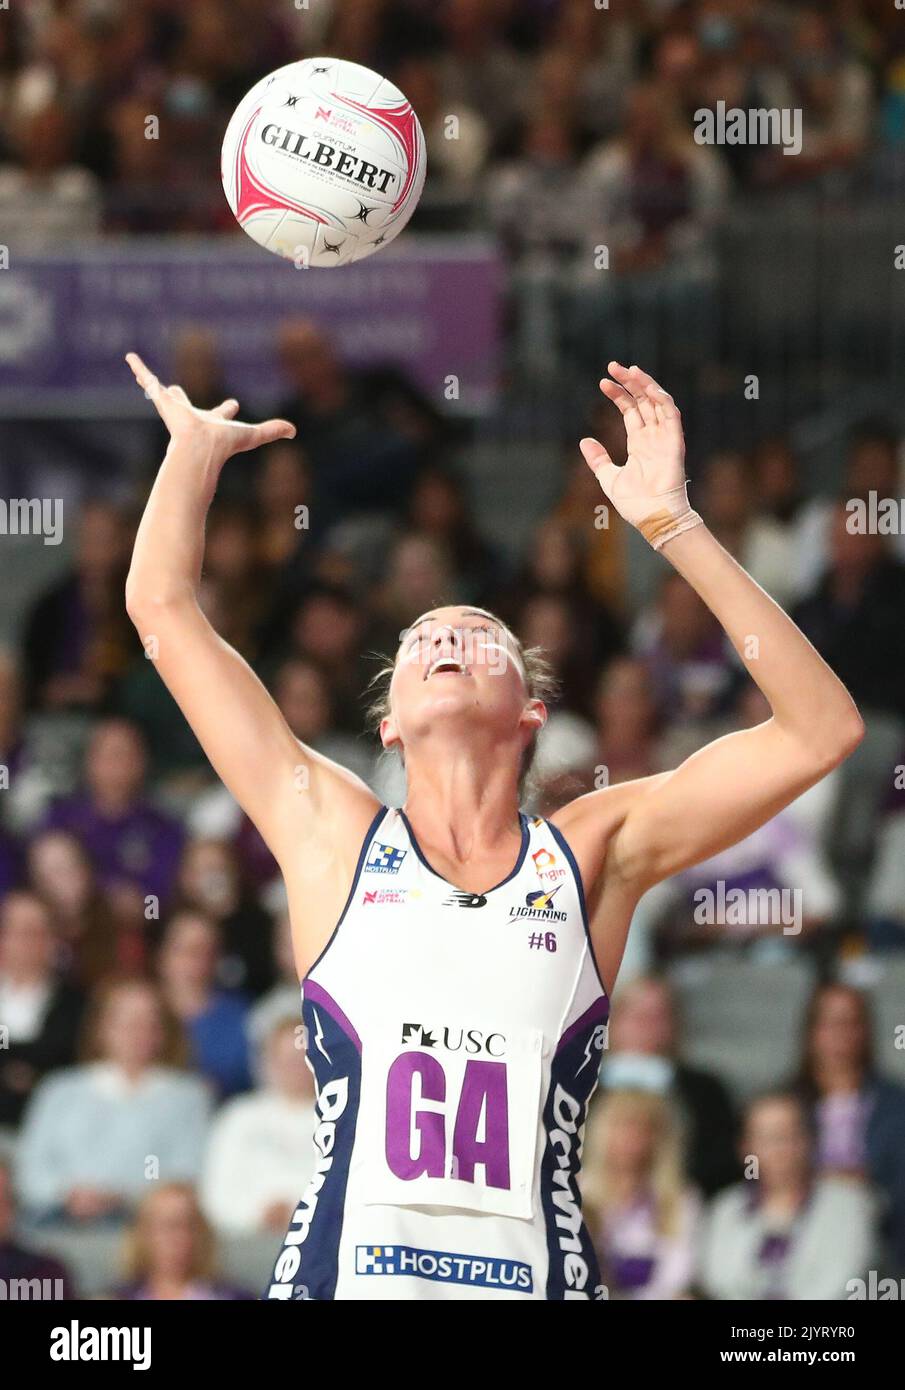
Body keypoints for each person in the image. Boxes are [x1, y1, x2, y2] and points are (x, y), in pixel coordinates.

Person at [123, 352, 863, 1301]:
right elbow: (162, 608)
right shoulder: (332, 831)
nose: (445, 637)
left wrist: (672, 526)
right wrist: (190, 456)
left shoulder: (591, 847)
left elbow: (820, 730)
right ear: (388, 721)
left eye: (479, 634)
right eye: (421, 637)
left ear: (530, 713)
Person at [16, 979, 211, 1224]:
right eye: (126, 1022)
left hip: (142, 1226)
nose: (138, 1033)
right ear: (101, 1028)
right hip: (55, 1220)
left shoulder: (187, 1097)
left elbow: (184, 1170)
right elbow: (32, 1166)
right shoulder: (59, 1090)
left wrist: (123, 1195)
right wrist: (67, 1193)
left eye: (149, 1022)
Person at [699, 1091, 877, 1300]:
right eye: (768, 1137)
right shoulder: (726, 1207)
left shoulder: (848, 1204)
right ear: (745, 1148)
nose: (781, 1148)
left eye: (791, 1134)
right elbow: (718, 1280)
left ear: (811, 1139)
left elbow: (842, 1282)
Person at [792, 981, 905, 1274]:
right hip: (799, 1237)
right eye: (830, 1022)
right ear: (811, 1031)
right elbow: (761, 1178)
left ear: (866, 1030)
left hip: (881, 1240)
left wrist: (866, 1186)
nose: (840, 1033)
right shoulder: (784, 1102)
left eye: (850, 1022)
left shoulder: (897, 1104)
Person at [200, 1016, 317, 1237]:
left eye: (304, 1060)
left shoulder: (345, 1120)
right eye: (288, 1061)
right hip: (245, 1239)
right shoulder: (238, 1116)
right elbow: (215, 1195)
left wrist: (298, 1212)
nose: (297, 1070)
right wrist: (258, 1214)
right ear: (268, 1062)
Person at [581, 1089, 702, 1299]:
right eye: (621, 1126)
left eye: (643, 1128)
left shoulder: (680, 1199)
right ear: (601, 1131)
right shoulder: (575, 1189)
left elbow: (679, 1279)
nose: (631, 1138)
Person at [114, 1184, 254, 1301]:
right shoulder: (116, 1297)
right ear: (143, 1234)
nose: (182, 1238)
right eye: (170, 1226)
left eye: (191, 1226)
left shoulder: (235, 1296)